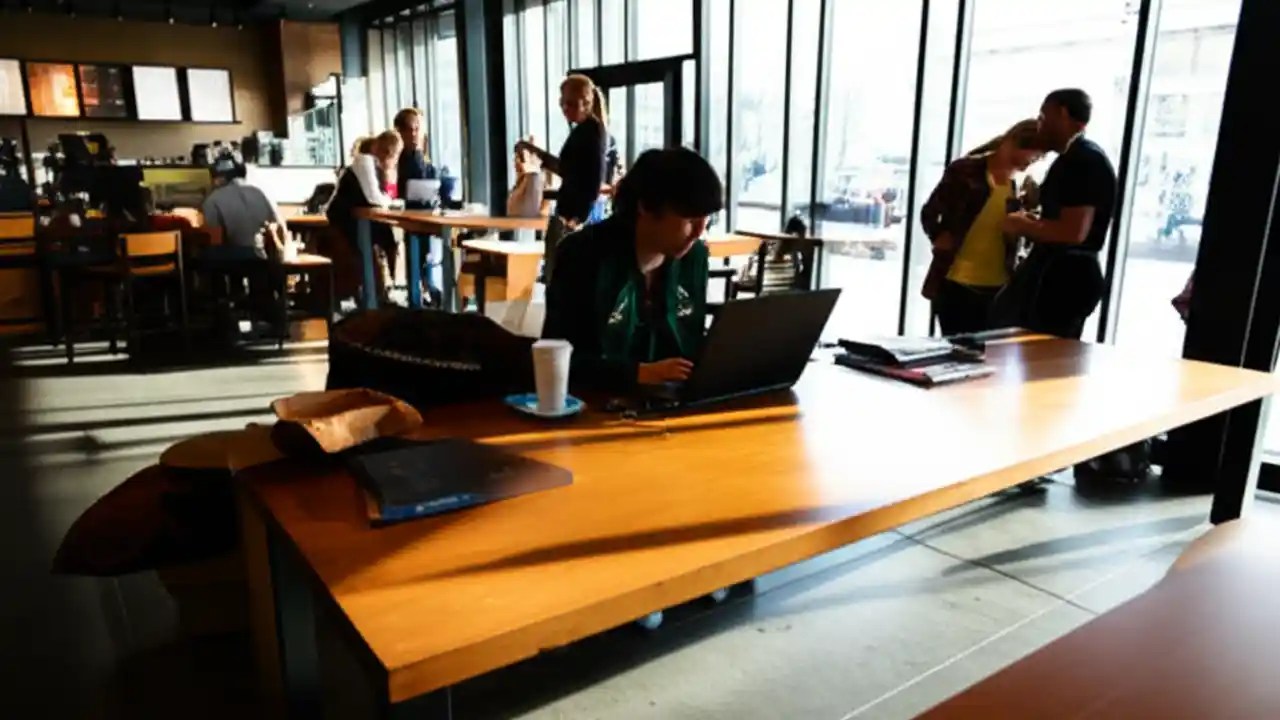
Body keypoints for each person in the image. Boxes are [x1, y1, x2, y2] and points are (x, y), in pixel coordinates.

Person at [542, 147, 723, 393]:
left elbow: (690, 344)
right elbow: (554, 359)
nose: (699, 232)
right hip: (596, 406)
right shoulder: (582, 255)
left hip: (671, 405)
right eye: (690, 220)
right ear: (646, 207)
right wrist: (639, 374)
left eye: (706, 220)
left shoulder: (694, 258)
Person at [1002, 89, 1118, 339]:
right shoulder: (1075, 158)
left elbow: (1073, 232)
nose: (1039, 125)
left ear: (1062, 113)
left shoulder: (1083, 160)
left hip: (1063, 279)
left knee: (1039, 360)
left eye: (1043, 117)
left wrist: (1022, 225)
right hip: (1062, 273)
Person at [921, 119, 1044, 334]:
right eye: (1036, 153)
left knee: (990, 359)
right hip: (957, 283)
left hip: (999, 288)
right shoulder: (966, 170)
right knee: (956, 357)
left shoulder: (1023, 186)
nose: (1036, 159)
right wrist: (938, 236)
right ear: (1015, 142)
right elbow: (930, 211)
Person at [515, 74, 609, 281]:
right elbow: (574, 174)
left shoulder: (590, 133)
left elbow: (583, 178)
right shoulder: (588, 131)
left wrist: (575, 219)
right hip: (572, 215)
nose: (564, 108)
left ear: (585, 103)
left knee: (557, 280)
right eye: (562, 103)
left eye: (570, 103)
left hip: (572, 218)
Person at [324, 130, 403, 299]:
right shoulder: (364, 161)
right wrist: (391, 202)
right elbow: (373, 196)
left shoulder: (374, 167)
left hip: (355, 222)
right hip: (343, 223)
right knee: (378, 246)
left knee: (386, 238)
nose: (393, 160)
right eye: (392, 155)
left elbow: (379, 196)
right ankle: (381, 294)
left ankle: (383, 292)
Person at [200, 157, 284, 262]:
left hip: (234, 259)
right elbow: (275, 226)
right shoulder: (258, 192)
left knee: (203, 254)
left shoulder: (212, 200)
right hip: (262, 257)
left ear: (217, 179)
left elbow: (215, 239)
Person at [392, 107, 451, 207]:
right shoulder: (393, 160)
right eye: (409, 129)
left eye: (417, 129)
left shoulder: (424, 161)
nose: (414, 134)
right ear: (399, 132)